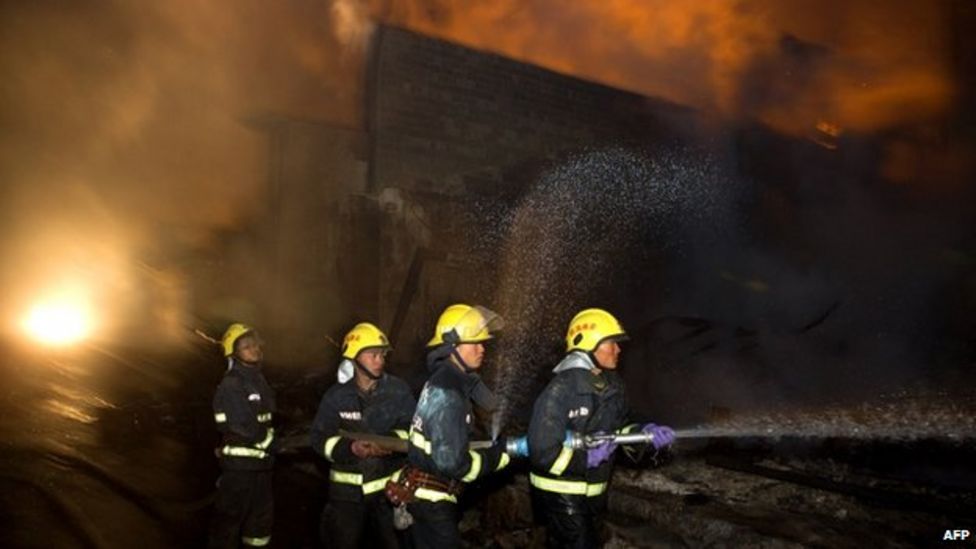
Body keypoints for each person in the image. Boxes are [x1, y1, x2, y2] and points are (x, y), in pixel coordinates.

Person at [527, 308, 675, 549]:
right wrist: (586, 458)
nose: (618, 349)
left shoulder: (612, 384)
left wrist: (646, 430)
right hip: (561, 497)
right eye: (611, 343)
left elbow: (623, 422)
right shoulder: (561, 389)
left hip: (595, 497)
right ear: (589, 344)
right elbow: (541, 451)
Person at [401, 303, 513, 548]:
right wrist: (498, 456)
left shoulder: (447, 381)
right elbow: (453, 463)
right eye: (475, 343)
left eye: (483, 343)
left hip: (425, 500)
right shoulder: (449, 393)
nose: (482, 349)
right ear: (452, 346)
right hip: (433, 505)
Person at [310, 322, 416, 548]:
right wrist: (350, 449)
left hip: (389, 492)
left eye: (383, 355)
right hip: (347, 497)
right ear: (354, 358)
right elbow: (319, 439)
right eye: (373, 355)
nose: (380, 361)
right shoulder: (336, 397)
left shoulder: (398, 391)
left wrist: (391, 442)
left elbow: (413, 429)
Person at [209, 323, 276, 548]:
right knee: (229, 523)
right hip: (239, 469)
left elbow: (266, 418)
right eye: (246, 346)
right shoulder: (233, 383)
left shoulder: (257, 379)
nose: (254, 348)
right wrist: (271, 441)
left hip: (260, 465)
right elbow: (242, 424)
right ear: (234, 353)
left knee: (259, 524)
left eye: (254, 344)